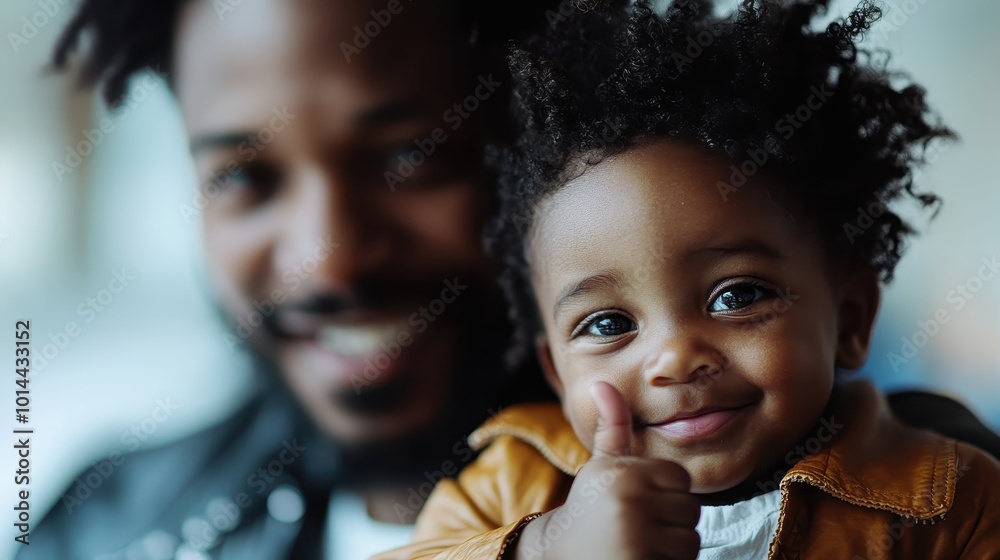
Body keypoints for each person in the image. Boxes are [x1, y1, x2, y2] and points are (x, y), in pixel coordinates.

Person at [376, 1, 1000, 558]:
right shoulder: (510, 485)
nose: (674, 358)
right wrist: (544, 549)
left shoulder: (949, 503)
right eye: (608, 324)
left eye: (737, 296)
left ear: (853, 318)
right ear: (555, 369)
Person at [21, 0, 556, 558]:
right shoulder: (99, 528)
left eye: (410, 154)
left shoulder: (644, 518)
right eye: (246, 176)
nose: (328, 261)